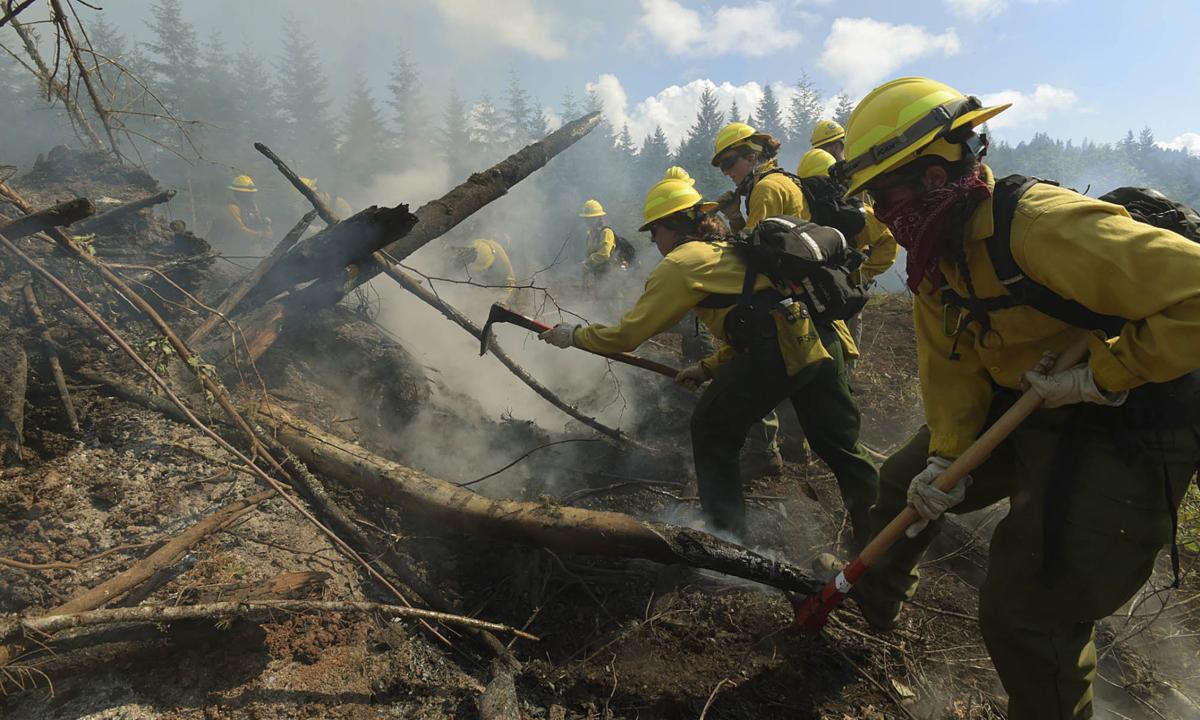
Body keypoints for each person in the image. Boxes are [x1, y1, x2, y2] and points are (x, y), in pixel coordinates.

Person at [839, 76, 1200, 719]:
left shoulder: (1041, 227)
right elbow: (948, 366)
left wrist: (1106, 375)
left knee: (1028, 610)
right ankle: (873, 604)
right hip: (1031, 397)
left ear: (933, 175)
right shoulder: (935, 254)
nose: (877, 214)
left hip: (1124, 417)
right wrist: (942, 457)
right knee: (900, 487)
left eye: (883, 192)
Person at [537, 177, 879, 545]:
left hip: (781, 349)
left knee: (712, 428)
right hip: (822, 341)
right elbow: (760, 320)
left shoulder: (682, 264)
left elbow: (626, 336)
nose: (654, 241)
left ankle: (727, 542)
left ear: (672, 226)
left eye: (655, 231)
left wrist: (572, 336)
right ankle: (880, 531)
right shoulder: (730, 250)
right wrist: (706, 368)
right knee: (839, 445)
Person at [712, 121, 864, 477]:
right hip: (806, 292)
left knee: (760, 367)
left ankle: (765, 453)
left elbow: (759, 255)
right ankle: (800, 448)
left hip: (785, 297)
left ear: (752, 156)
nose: (728, 172)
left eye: (730, 162)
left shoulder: (766, 189)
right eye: (722, 166)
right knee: (806, 373)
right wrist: (735, 217)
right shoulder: (785, 181)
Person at [796, 147, 900, 366]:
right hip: (846, 285)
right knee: (847, 331)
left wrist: (862, 273)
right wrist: (862, 274)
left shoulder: (805, 212)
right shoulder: (857, 212)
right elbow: (888, 241)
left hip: (820, 289)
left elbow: (888, 242)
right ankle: (846, 372)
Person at [453, 237, 524, 311]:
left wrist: (501, 299)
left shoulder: (501, 258)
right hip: (480, 282)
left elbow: (510, 280)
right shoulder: (473, 248)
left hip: (498, 281)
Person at [209, 174, 272, 252]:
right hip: (227, 248)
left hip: (246, 245)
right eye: (247, 193)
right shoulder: (232, 207)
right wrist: (260, 235)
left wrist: (266, 225)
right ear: (238, 193)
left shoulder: (252, 205)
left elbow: (260, 223)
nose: (250, 196)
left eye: (251, 193)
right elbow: (240, 230)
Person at [579, 198, 618, 284]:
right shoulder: (591, 234)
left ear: (599, 217)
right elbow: (589, 253)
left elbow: (604, 254)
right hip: (598, 276)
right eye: (586, 218)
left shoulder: (606, 232)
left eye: (592, 218)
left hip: (610, 277)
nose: (588, 221)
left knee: (610, 297)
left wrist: (588, 261)